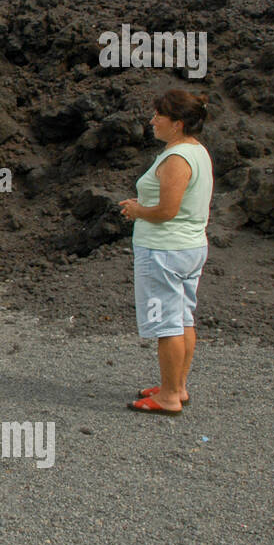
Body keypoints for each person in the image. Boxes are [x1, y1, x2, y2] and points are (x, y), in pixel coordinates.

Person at [119, 91, 213, 415]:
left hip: (165, 250)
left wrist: (135, 210)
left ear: (178, 123)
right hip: (188, 247)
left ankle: (169, 397)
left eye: (159, 115)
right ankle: (177, 386)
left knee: (167, 324)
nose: (152, 121)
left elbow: (167, 210)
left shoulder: (177, 159)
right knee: (183, 317)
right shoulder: (196, 151)